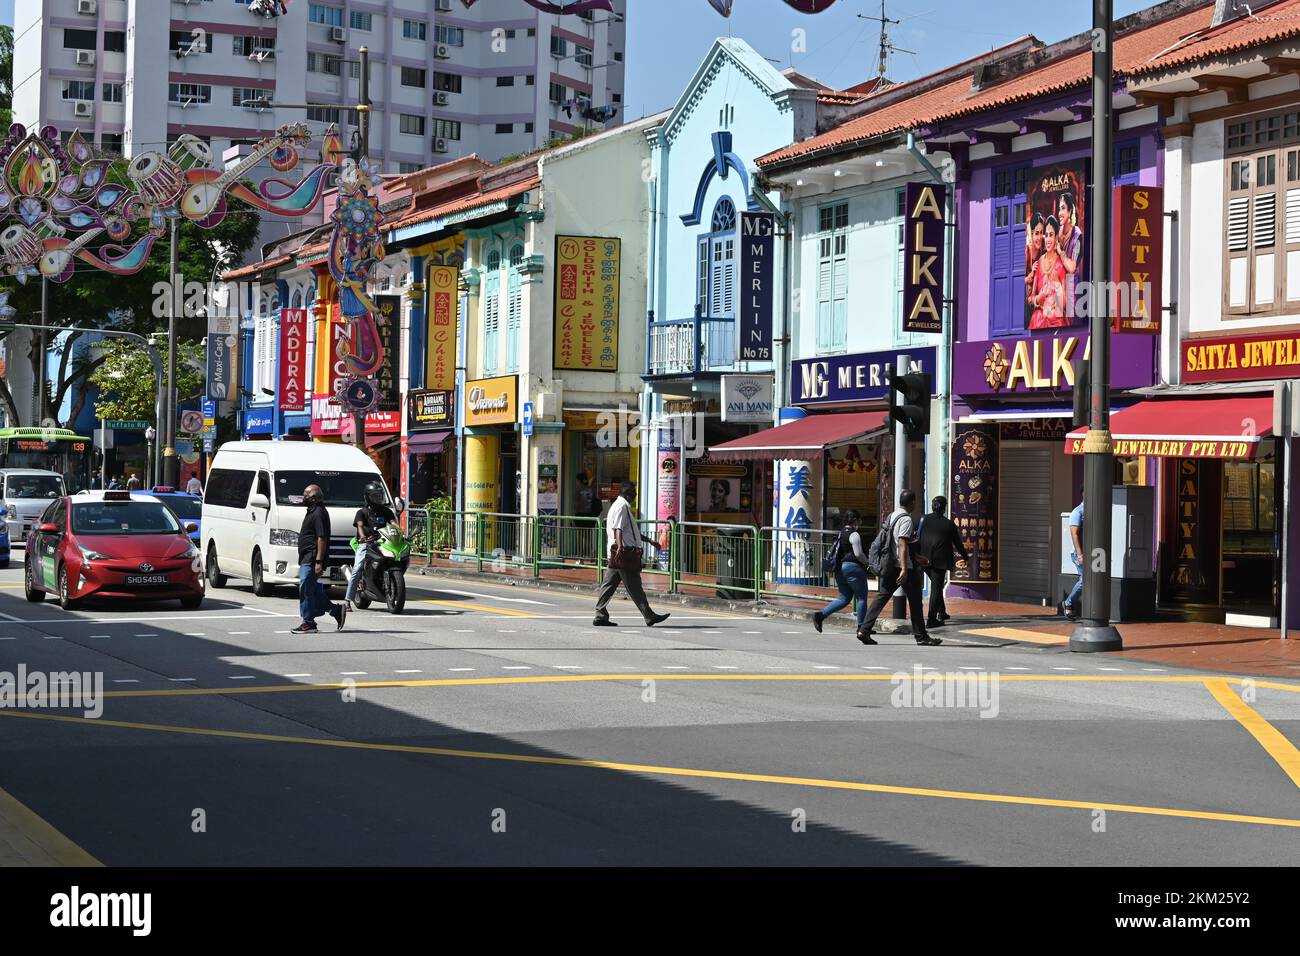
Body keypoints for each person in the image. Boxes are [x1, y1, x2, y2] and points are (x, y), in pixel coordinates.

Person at [856, 490, 939, 647]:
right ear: (912, 502)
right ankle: (921, 636)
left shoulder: (892, 515)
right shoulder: (906, 519)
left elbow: (896, 543)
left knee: (881, 597)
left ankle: (864, 629)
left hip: (891, 564)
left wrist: (915, 557)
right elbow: (901, 543)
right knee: (915, 601)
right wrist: (905, 568)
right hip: (902, 567)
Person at [593, 481, 669, 628]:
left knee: (608, 584)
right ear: (626, 492)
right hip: (624, 553)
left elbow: (631, 532)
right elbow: (618, 529)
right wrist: (621, 546)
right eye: (633, 491)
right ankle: (649, 615)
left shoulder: (620, 506)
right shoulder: (622, 506)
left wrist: (651, 541)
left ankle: (600, 614)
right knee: (634, 585)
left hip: (618, 553)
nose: (635, 494)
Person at [293, 483, 346, 634]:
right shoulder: (312, 511)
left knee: (306, 590)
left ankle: (308, 623)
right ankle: (335, 610)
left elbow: (321, 538)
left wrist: (318, 561)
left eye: (306, 495)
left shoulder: (318, 513)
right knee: (313, 590)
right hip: (307, 557)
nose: (303, 498)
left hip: (312, 558)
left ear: (314, 498)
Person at [915, 496, 970, 629]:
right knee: (936, 588)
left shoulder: (923, 519)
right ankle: (932, 619)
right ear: (944, 508)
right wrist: (965, 557)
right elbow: (957, 543)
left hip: (924, 559)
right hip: (940, 561)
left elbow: (916, 536)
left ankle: (942, 612)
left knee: (936, 586)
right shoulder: (949, 524)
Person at [812, 510, 871, 634]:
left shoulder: (841, 533)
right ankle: (862, 627)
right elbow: (858, 553)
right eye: (859, 520)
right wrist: (868, 563)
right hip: (853, 568)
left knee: (844, 598)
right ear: (855, 520)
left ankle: (821, 615)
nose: (860, 523)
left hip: (840, 569)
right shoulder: (854, 534)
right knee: (862, 598)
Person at [345, 481, 395, 609]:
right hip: (367, 543)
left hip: (383, 542)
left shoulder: (387, 511)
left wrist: (401, 533)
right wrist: (363, 537)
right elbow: (360, 526)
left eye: (380, 495)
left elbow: (394, 524)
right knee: (357, 568)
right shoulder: (361, 512)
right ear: (368, 497)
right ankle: (347, 601)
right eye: (375, 496)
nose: (378, 498)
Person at [1028, 216, 1068, 330]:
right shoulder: (1039, 262)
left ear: (1056, 238)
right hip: (1038, 320)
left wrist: (1057, 299)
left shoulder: (1060, 266)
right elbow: (1031, 297)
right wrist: (1038, 299)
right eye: (1046, 235)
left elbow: (1066, 301)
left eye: (1051, 235)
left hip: (1056, 320)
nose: (1048, 239)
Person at [1064, 491, 1085, 620]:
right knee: (1086, 580)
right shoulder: (1077, 512)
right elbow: (1074, 534)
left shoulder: (1095, 510)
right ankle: (1069, 602)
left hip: (1093, 553)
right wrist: (1080, 555)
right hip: (1079, 553)